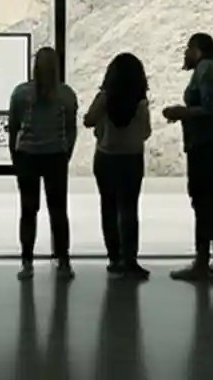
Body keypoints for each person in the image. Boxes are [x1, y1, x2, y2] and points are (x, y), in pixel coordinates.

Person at [163, 33, 213, 282]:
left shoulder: (206, 70)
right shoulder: (205, 70)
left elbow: (209, 110)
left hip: (205, 148)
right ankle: (209, 261)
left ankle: (212, 263)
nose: (185, 53)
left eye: (188, 48)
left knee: (206, 203)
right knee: (205, 203)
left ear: (199, 50)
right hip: (204, 147)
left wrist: (182, 112)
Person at [8, 47, 78, 281]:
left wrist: (15, 159)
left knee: (28, 210)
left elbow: (14, 128)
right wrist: (64, 153)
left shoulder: (21, 93)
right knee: (58, 211)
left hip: (27, 156)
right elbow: (71, 130)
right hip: (55, 157)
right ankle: (64, 261)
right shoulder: (66, 95)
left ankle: (27, 262)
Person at [84, 53, 152, 280]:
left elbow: (88, 120)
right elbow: (146, 133)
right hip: (132, 159)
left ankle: (114, 258)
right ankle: (130, 260)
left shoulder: (104, 98)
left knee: (109, 207)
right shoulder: (141, 103)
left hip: (106, 157)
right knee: (129, 209)